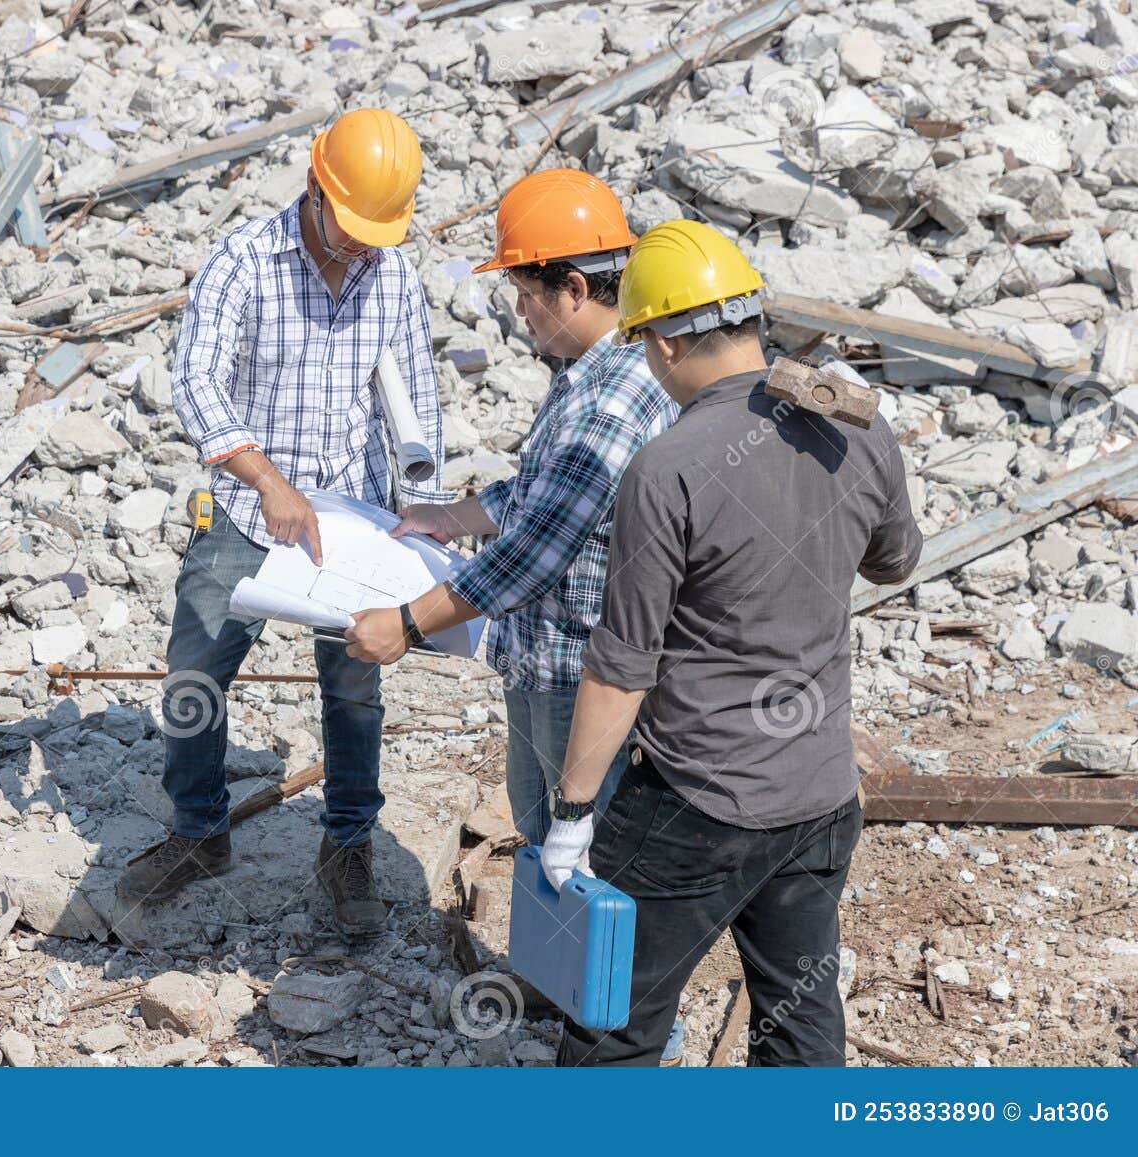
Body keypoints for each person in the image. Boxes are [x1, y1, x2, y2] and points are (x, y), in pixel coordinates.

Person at [539, 220, 924, 1066]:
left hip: (695, 805)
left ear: (667, 341)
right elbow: (896, 558)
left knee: (612, 1024)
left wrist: (569, 815)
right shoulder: (858, 427)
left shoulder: (668, 465)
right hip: (819, 798)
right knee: (799, 1015)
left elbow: (622, 662)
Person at [116, 108, 453, 942]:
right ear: (314, 187)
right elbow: (196, 381)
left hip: (351, 515)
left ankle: (347, 845)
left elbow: (414, 399)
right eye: (350, 229)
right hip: (246, 509)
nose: (361, 248)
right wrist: (265, 479)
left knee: (352, 684)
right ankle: (199, 829)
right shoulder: (244, 263)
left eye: (376, 234)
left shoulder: (393, 275)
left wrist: (417, 510)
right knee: (195, 668)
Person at [343, 169, 676, 847]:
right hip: (554, 665)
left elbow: (531, 556)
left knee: (574, 849)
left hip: (574, 676)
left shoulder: (609, 400)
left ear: (574, 289)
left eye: (526, 294)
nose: (519, 312)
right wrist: (449, 517)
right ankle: (556, 954)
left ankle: (577, 957)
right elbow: (545, 496)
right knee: (557, 839)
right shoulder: (601, 371)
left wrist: (408, 624)